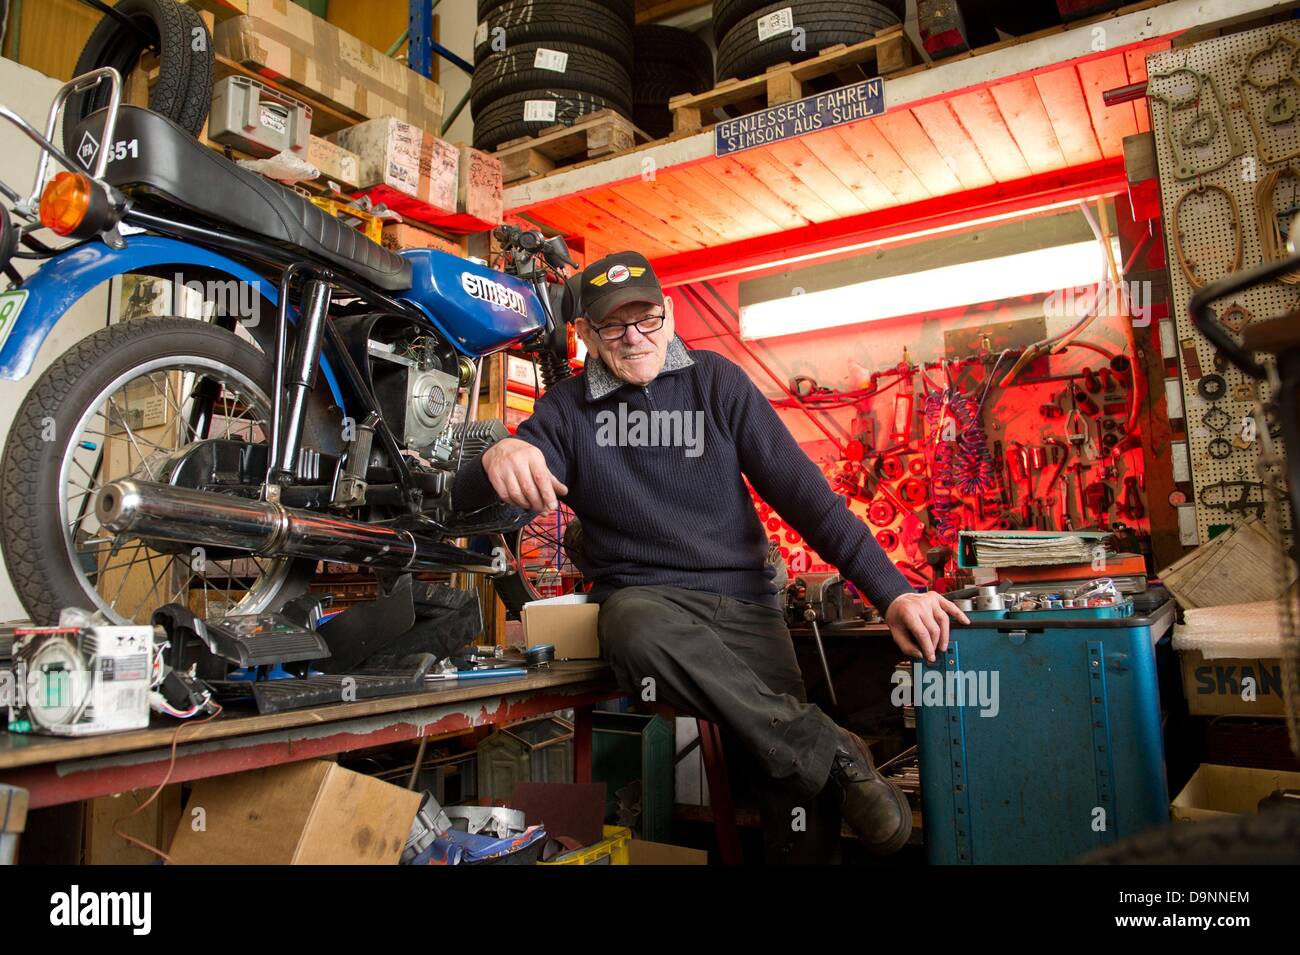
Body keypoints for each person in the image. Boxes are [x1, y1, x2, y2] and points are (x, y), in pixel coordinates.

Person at [453, 251, 968, 863]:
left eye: (645, 319)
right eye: (612, 327)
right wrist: (496, 454)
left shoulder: (716, 382)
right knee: (631, 624)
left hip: (748, 605)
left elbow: (811, 502)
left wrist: (893, 593)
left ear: (668, 317)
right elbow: (466, 503)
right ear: (585, 334)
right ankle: (831, 747)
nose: (634, 338)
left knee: (795, 797)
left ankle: (819, 760)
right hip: (653, 609)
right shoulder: (566, 410)